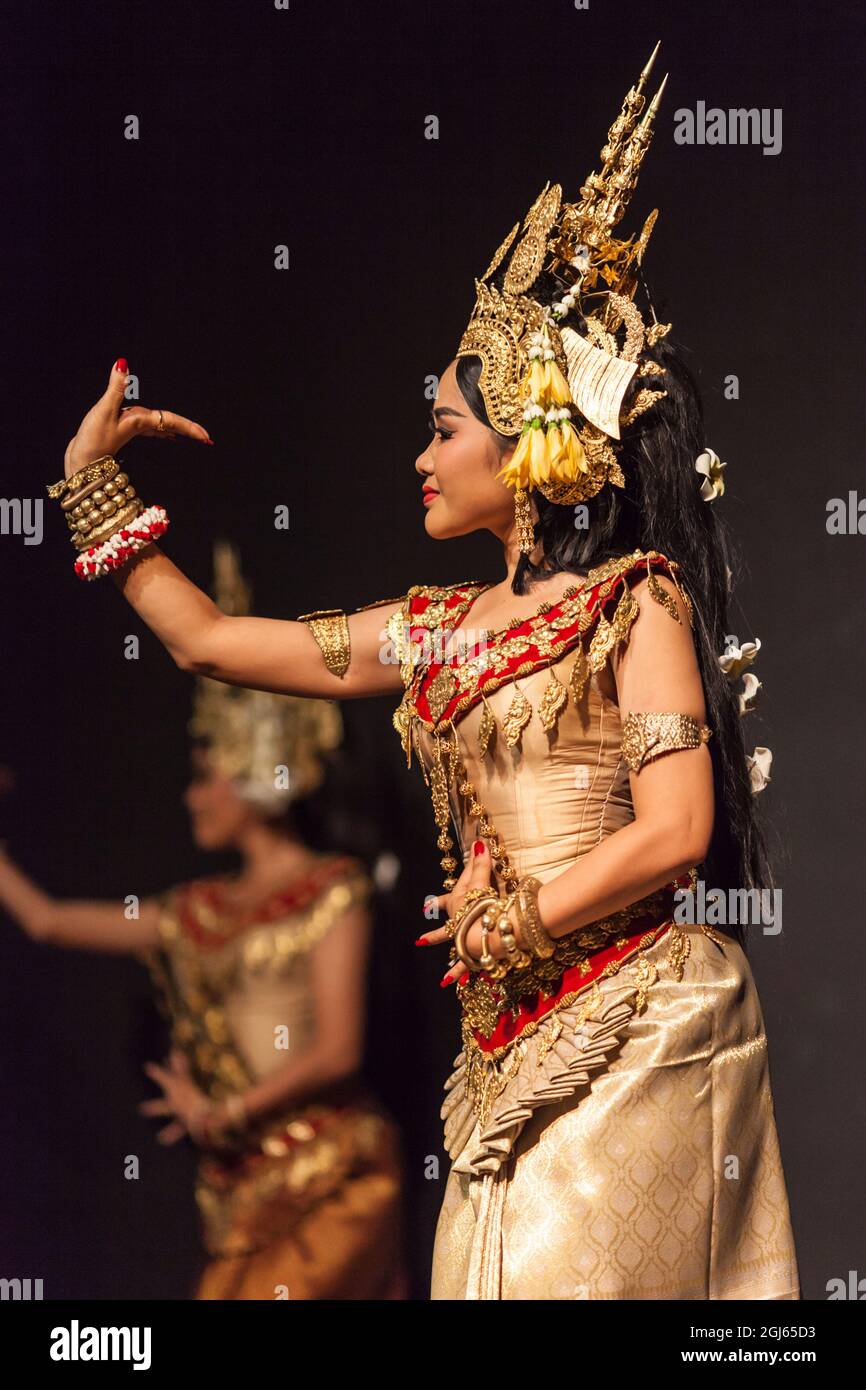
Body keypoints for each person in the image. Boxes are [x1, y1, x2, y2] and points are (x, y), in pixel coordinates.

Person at [44, 43, 800, 1299]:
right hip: (504, 1044)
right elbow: (213, 643)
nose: (419, 456)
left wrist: (522, 918)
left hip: (640, 1027)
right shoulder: (438, 628)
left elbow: (675, 829)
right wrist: (92, 488)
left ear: (527, 446)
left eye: (443, 429)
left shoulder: (632, 603)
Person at [0, 543, 406, 1300]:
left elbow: (339, 1050)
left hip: (333, 1178)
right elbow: (48, 921)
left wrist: (227, 1111)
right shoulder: (196, 912)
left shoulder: (331, 890)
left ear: (254, 777)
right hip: (241, 1194)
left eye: (204, 779)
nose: (190, 799)